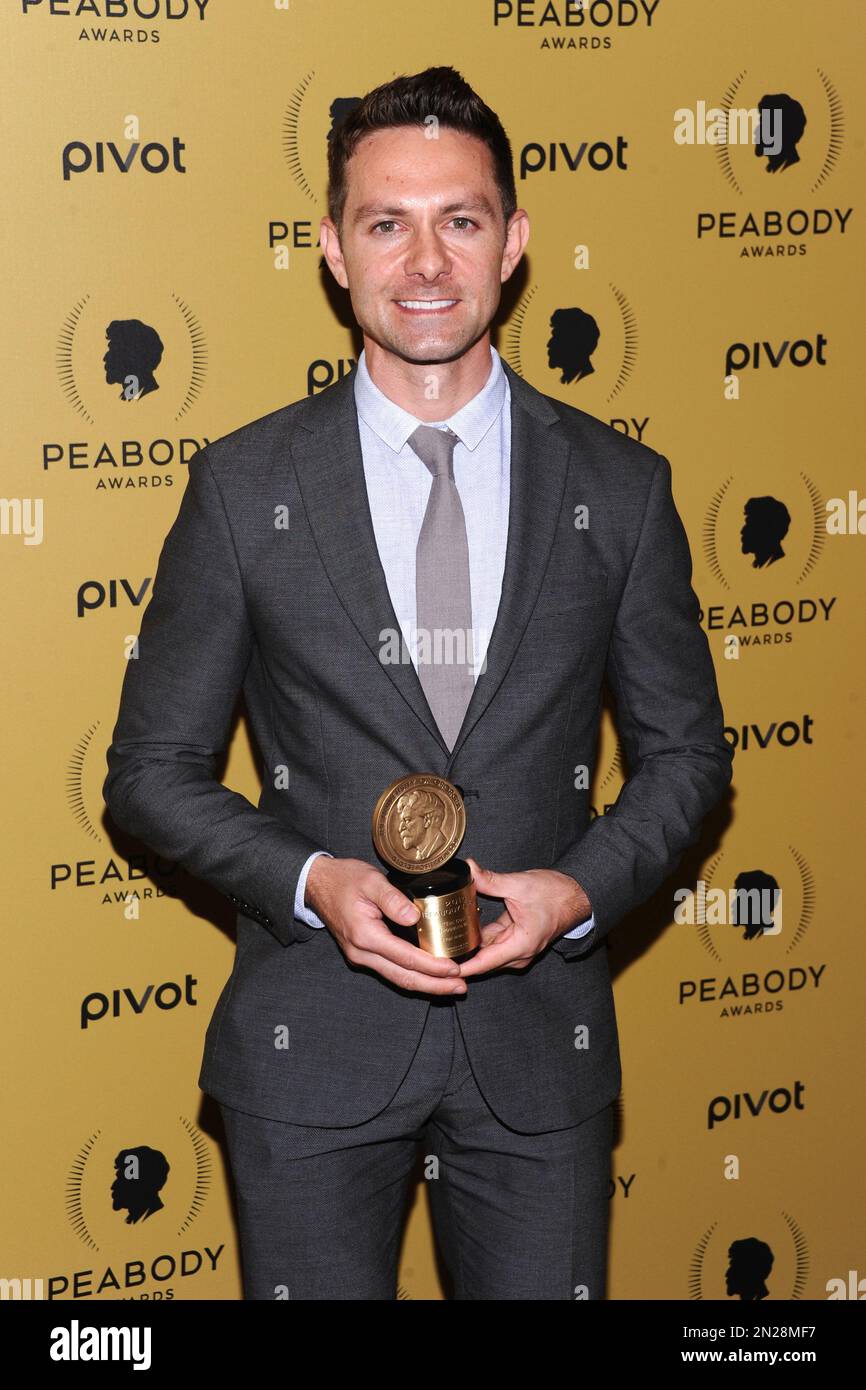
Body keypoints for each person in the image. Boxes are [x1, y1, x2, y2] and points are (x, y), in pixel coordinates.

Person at [103, 65, 733, 1300]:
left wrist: (577, 891)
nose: (427, 260)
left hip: (538, 1052)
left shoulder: (621, 487)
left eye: (461, 218)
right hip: (309, 1052)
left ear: (515, 243)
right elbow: (150, 776)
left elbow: (688, 754)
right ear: (334, 250)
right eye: (387, 222)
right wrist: (313, 881)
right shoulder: (242, 490)